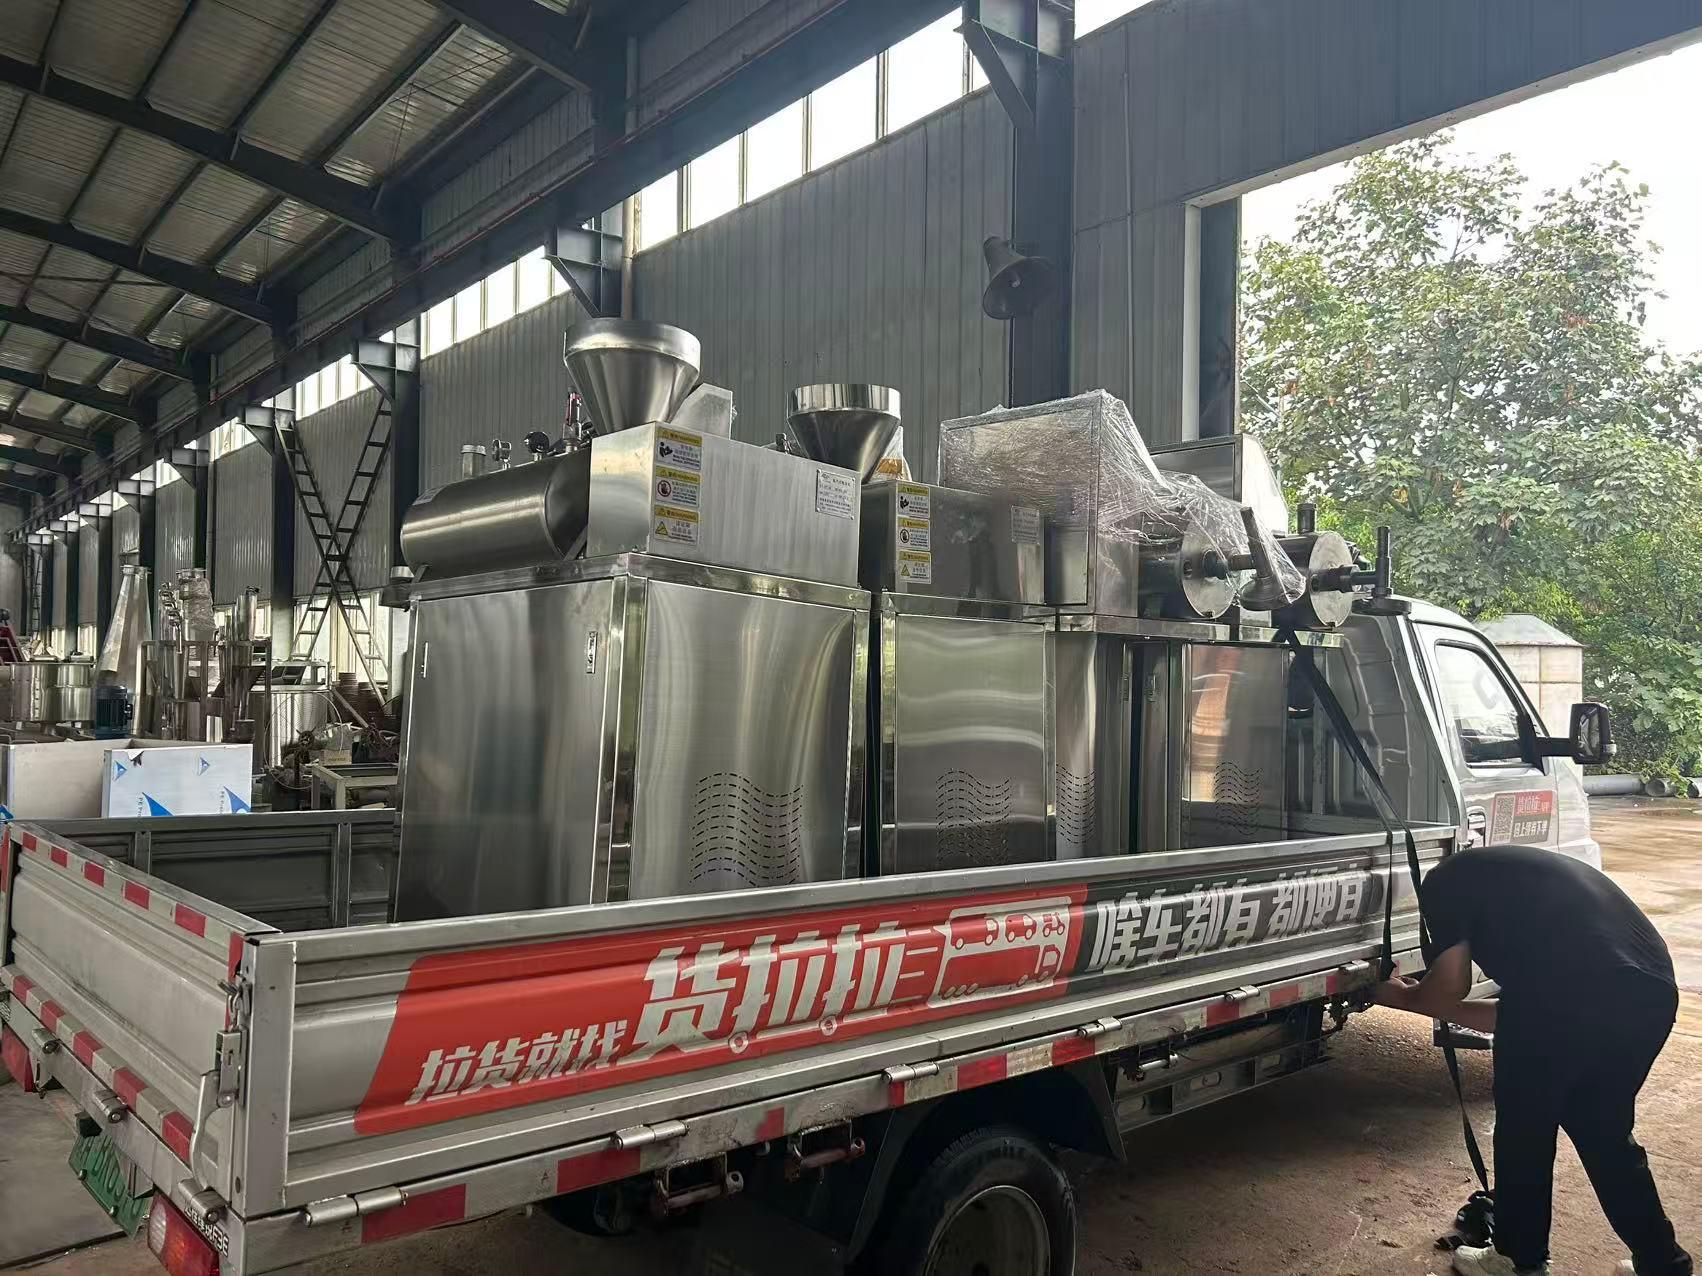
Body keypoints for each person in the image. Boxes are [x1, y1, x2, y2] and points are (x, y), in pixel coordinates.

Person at [1372, 843, 1691, 1276]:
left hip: (1568, 1002)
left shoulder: (1443, 885)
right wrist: (1427, 1002)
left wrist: (1399, 996)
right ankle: (1663, 1264)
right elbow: (1522, 1018)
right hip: (1650, 997)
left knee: (1525, 1131)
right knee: (1605, 1133)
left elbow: (1448, 987)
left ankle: (1517, 1259)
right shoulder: (1526, 885)